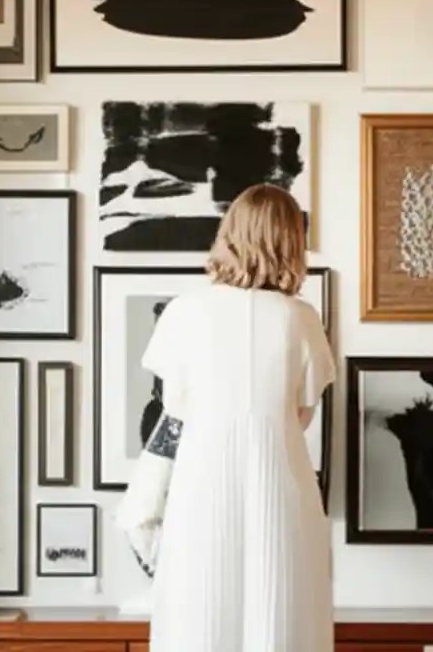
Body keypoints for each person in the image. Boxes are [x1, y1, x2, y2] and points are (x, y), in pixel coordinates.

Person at [118, 183, 336, 652]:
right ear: (291, 242)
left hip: (202, 486)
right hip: (282, 487)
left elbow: (176, 408)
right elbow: (302, 415)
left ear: (229, 233)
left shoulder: (184, 311)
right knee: (284, 618)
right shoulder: (301, 318)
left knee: (199, 617)